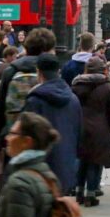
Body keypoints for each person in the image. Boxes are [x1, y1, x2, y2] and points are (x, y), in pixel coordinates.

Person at [0, 28, 56, 191]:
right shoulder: (51, 72)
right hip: (42, 140)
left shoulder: (11, 70)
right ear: (48, 49)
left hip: (13, 136)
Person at [0, 112, 63, 217]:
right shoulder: (48, 175)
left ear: (26, 142)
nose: (7, 138)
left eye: (13, 134)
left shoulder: (20, 183)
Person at [22, 54, 83, 194]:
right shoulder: (73, 99)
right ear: (58, 71)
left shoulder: (35, 100)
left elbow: (27, 137)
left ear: (39, 72)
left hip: (40, 172)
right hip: (66, 169)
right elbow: (79, 135)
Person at [70, 56, 110, 205]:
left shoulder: (76, 84)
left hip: (79, 126)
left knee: (81, 159)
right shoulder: (108, 86)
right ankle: (91, 194)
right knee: (94, 161)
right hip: (100, 127)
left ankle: (78, 191)